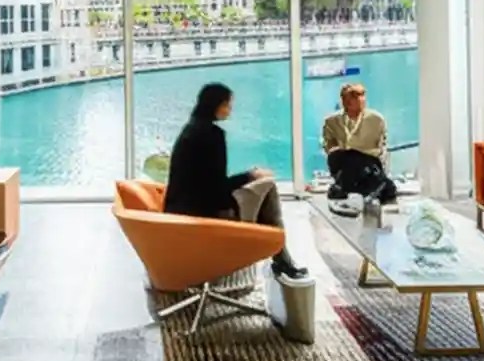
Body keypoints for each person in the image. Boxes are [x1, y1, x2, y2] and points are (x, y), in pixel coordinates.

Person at [164, 82, 307, 278]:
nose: (230, 110)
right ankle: (281, 258)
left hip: (180, 212)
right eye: (228, 105)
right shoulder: (213, 136)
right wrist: (250, 176)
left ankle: (280, 257)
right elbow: (217, 189)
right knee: (268, 186)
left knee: (262, 188)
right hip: (207, 215)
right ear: (216, 105)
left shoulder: (190, 130)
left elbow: (205, 183)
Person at [321, 83, 395, 202]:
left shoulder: (376, 119)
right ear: (344, 100)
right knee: (348, 159)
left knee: (356, 160)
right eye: (353, 97)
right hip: (342, 162)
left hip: (369, 163)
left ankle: (346, 188)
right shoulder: (331, 121)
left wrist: (356, 151)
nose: (359, 100)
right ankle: (375, 187)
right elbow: (329, 146)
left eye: (361, 96)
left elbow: (380, 147)